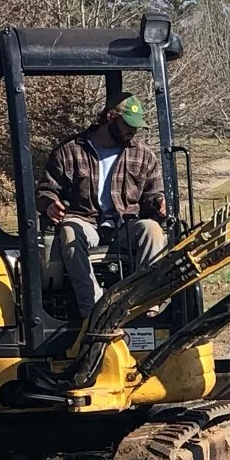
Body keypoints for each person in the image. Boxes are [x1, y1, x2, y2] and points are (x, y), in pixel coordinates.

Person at [36, 93, 169, 316]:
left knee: (153, 231)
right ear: (110, 118)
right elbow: (46, 190)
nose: (132, 132)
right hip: (85, 221)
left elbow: (153, 193)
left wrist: (158, 203)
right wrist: (50, 203)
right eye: (128, 125)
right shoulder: (69, 152)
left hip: (127, 224)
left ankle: (146, 305)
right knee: (69, 231)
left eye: (136, 127)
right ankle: (95, 310)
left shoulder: (143, 155)